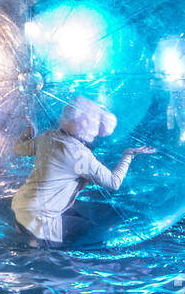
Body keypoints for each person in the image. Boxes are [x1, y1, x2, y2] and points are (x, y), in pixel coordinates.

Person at [10, 96, 154, 246]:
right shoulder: (80, 155)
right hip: (40, 223)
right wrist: (128, 154)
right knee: (100, 234)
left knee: (76, 213)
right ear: (89, 126)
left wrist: (30, 130)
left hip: (20, 209)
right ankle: (45, 247)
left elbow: (18, 149)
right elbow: (114, 182)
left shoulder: (48, 137)